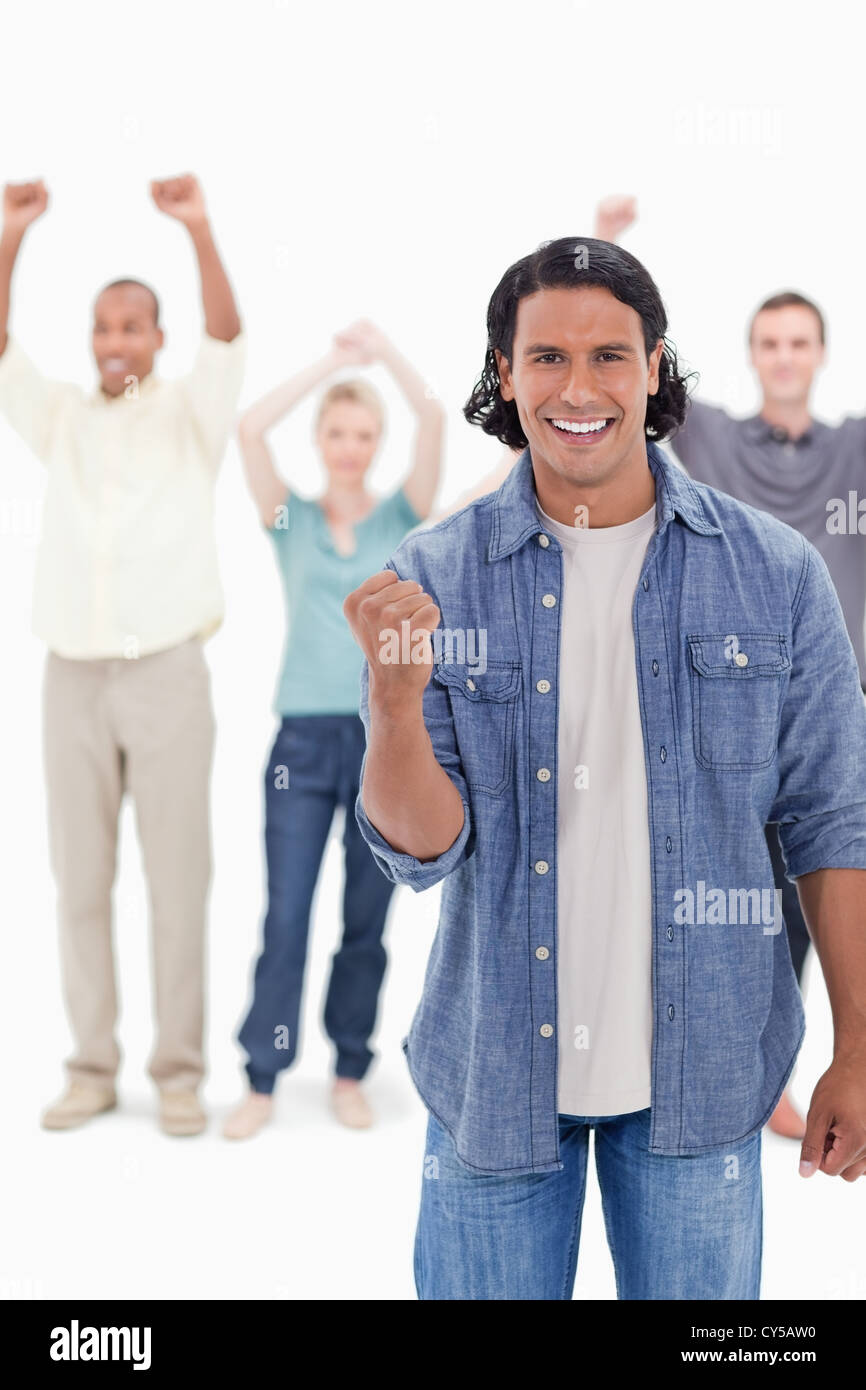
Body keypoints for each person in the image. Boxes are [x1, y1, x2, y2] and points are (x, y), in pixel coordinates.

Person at [343, 237, 866, 1300]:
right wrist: (393, 708)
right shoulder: (433, 575)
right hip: (492, 1081)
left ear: (655, 367)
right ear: (503, 373)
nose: (577, 389)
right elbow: (421, 853)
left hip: (705, 1081)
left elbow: (832, 823)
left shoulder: (775, 576)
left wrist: (854, 1044)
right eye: (544, 358)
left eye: (608, 357)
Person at [595, 193, 866, 1141]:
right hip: (724, 710)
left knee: (828, 881)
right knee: (735, 905)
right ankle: (733, 1074)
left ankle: (812, 1065)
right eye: (771, 343)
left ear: (820, 354)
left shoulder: (854, 451)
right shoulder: (710, 438)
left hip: (832, 713)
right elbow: (622, 375)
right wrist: (609, 248)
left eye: (801, 343)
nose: (786, 357)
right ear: (754, 356)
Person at [0, 174, 245, 1137]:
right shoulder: (61, 420)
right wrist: (10, 238)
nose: (114, 342)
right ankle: (90, 1066)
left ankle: (177, 1072)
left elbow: (228, 334)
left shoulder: (192, 415)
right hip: (72, 677)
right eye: (103, 327)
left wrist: (197, 227)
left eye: (132, 326)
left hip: (168, 676)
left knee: (178, 881)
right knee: (79, 881)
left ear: (156, 339)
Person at [223, 318, 442, 1139]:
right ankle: (263, 1074)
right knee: (286, 912)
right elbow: (248, 429)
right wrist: (331, 366)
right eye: (337, 432)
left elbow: (433, 421)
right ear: (320, 436)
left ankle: (349, 1066)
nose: (350, 447)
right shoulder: (292, 523)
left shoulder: (401, 517)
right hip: (301, 743)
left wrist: (385, 352)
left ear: (377, 442)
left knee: (365, 914)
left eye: (363, 434)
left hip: (378, 741)